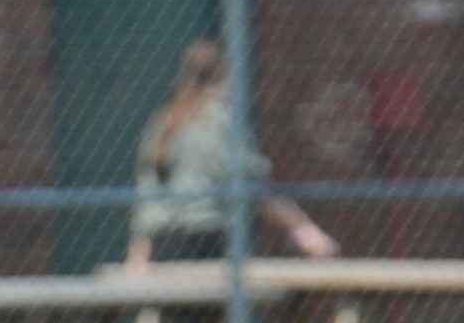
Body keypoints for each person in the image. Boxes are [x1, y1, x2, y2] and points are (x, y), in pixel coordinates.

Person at [127, 38, 339, 272]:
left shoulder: (163, 120)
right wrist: (303, 227)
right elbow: (254, 186)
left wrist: (138, 250)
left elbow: (147, 193)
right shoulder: (220, 120)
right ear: (225, 74)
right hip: (208, 242)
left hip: (164, 247)